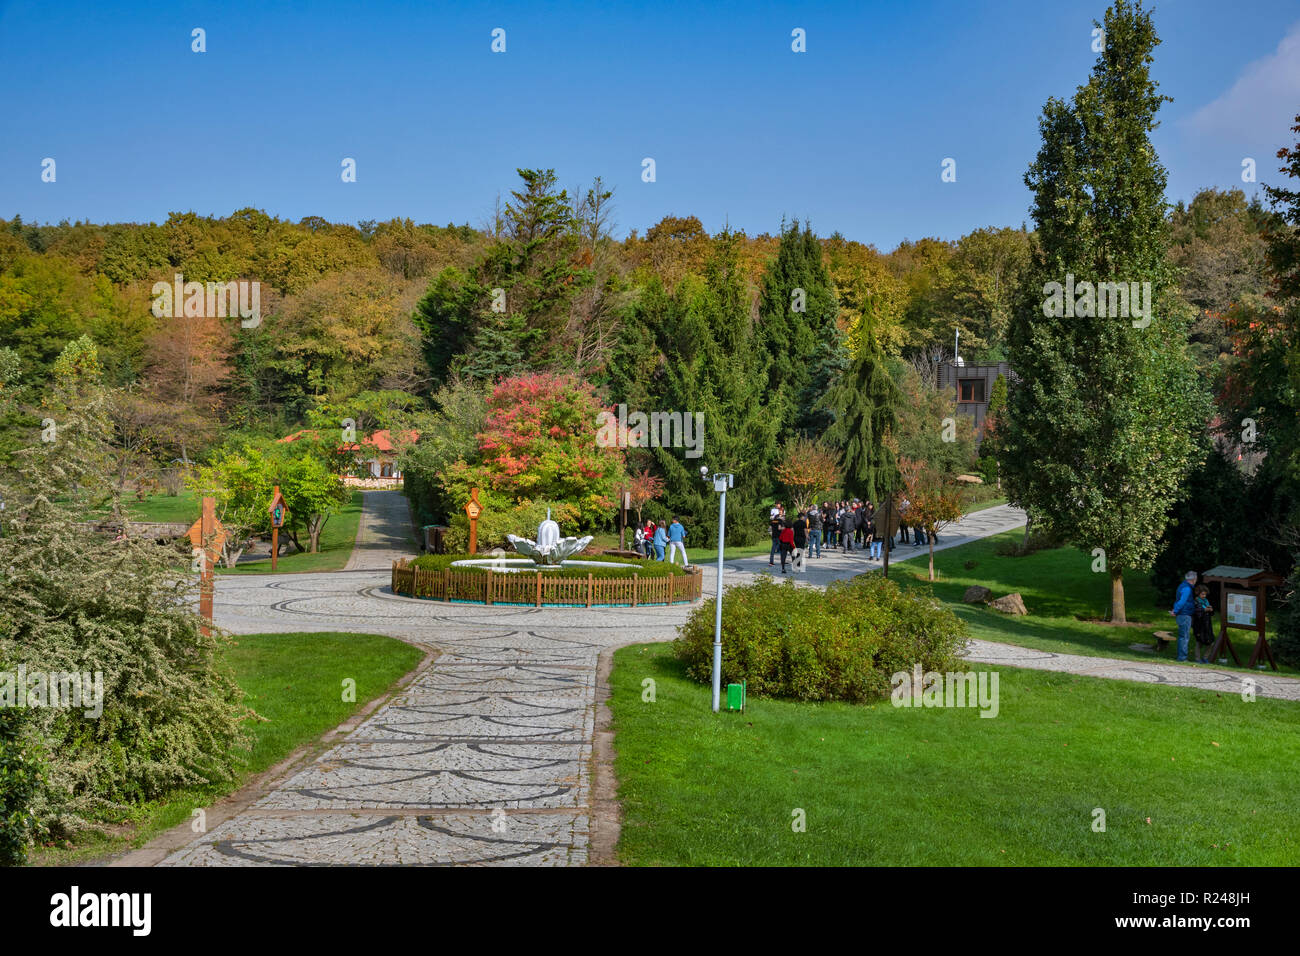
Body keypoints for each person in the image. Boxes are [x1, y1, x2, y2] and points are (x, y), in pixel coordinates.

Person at [1170, 570, 1197, 663]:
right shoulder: (1187, 589)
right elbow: (1182, 601)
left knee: (1183, 636)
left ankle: (1181, 656)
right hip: (1184, 614)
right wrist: (1175, 611)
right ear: (1194, 579)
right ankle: (1182, 658)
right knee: (1184, 636)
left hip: (1182, 614)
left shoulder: (1182, 585)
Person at [1193, 585, 1215, 664]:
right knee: (1199, 642)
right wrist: (1204, 609)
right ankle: (1197, 659)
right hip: (1199, 625)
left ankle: (1205, 657)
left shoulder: (1206, 601)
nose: (1204, 596)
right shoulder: (1195, 601)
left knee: (1211, 641)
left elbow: (1211, 614)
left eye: (1205, 594)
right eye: (1202, 594)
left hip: (1207, 625)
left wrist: (1211, 610)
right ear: (1198, 594)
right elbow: (1197, 613)